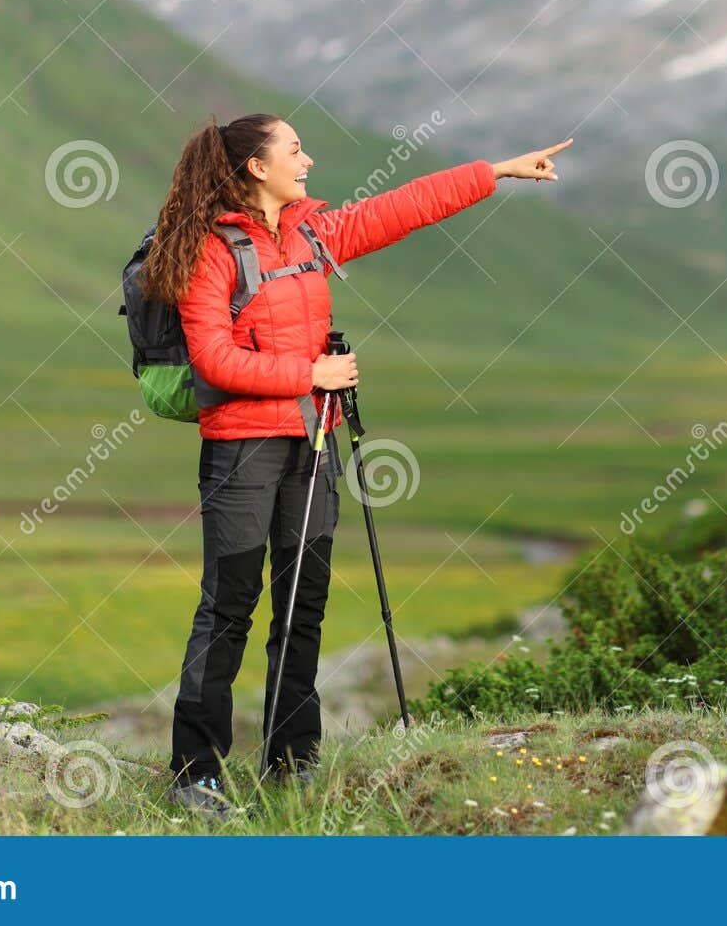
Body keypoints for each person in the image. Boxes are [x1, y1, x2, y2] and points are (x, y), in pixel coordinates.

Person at [138, 112, 570, 816]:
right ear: (257, 167)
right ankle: (195, 776)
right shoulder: (211, 250)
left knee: (303, 605)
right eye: (295, 149)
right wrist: (311, 372)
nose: (307, 159)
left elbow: (401, 208)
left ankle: (292, 764)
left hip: (313, 443)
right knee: (229, 610)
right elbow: (214, 359)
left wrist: (494, 171)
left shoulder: (313, 231)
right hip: (241, 450)